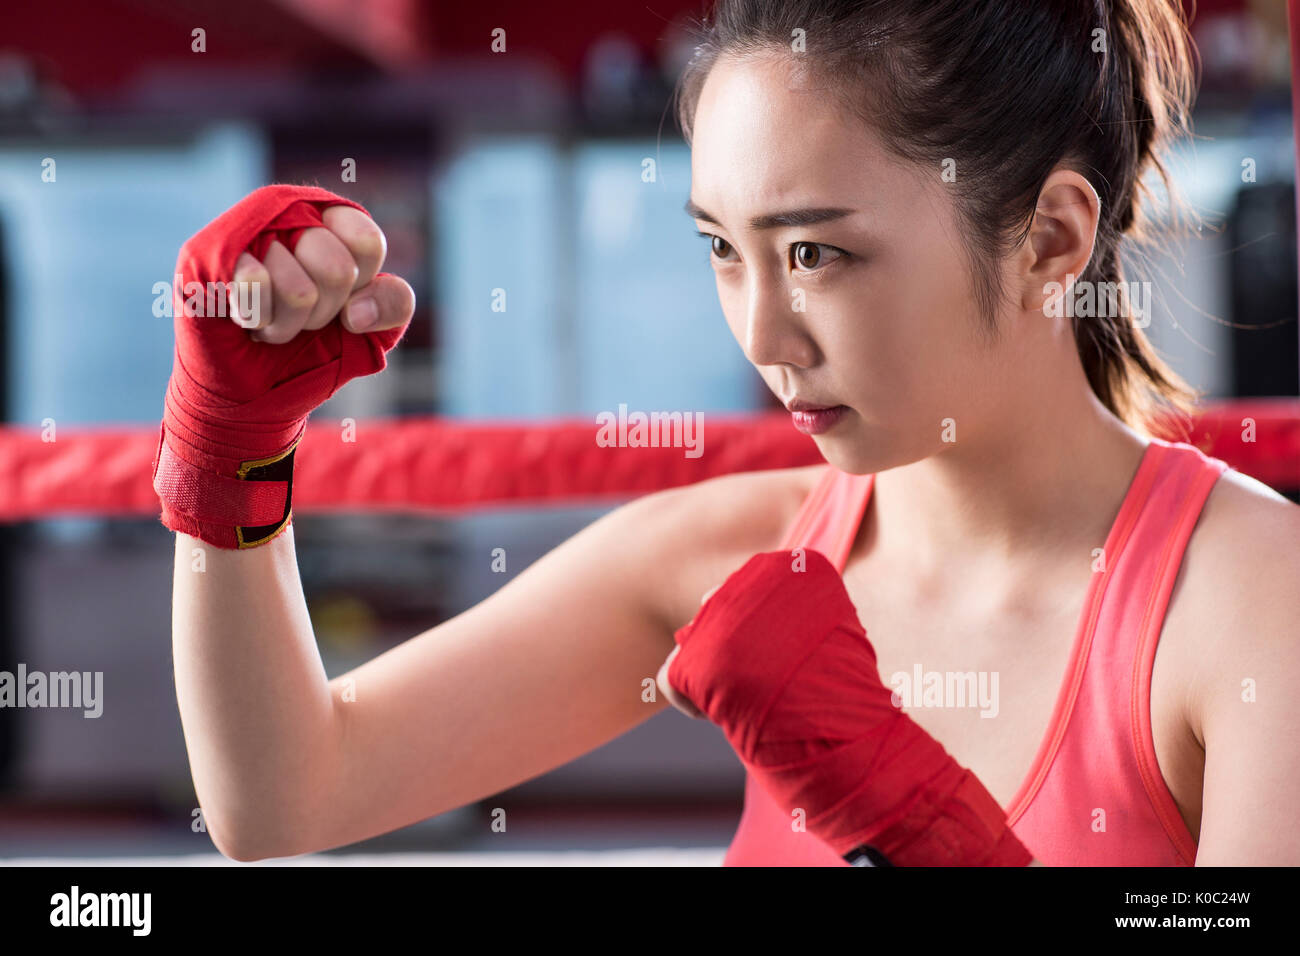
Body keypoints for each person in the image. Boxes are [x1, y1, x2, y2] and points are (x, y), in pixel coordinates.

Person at [159, 0, 1300, 866]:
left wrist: (912, 822)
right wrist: (231, 453)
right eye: (721, 246)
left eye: (816, 253)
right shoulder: (727, 561)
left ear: (1050, 238)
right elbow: (281, 797)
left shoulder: (1250, 602)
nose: (763, 333)